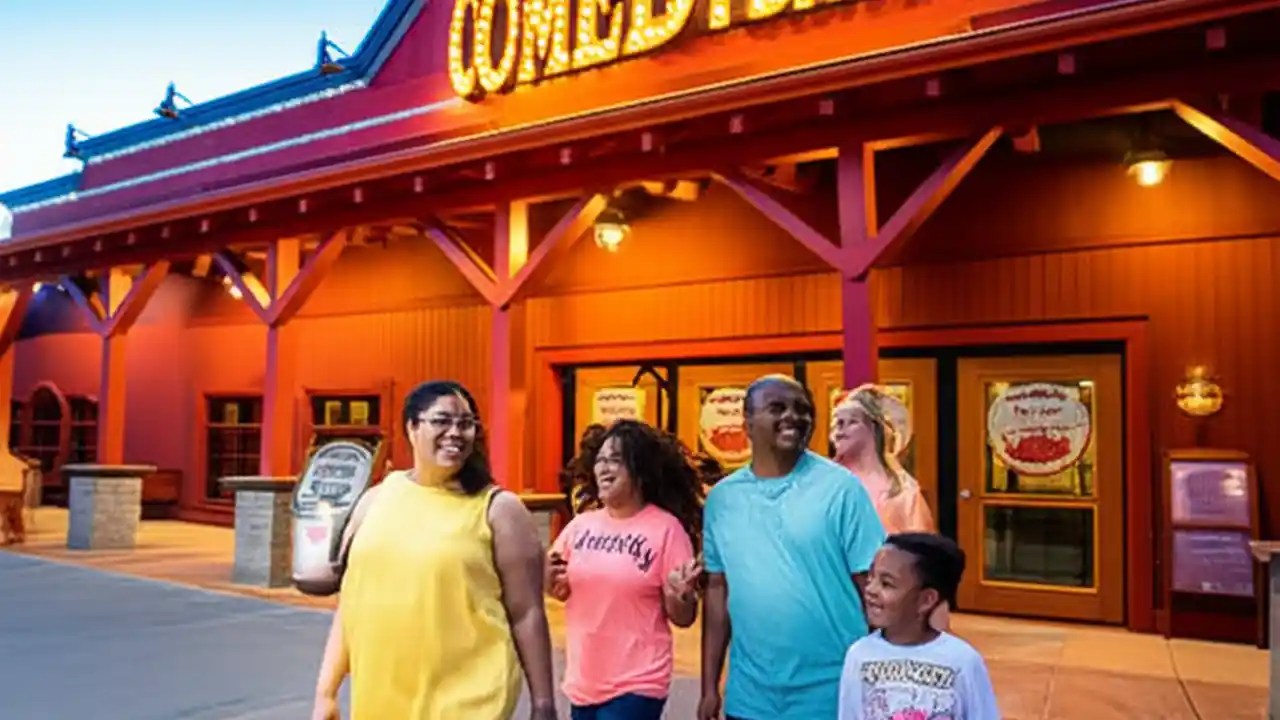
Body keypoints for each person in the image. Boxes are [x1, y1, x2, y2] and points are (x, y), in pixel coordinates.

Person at [311, 380, 558, 720]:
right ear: (412, 427)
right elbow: (352, 603)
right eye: (442, 421)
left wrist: (543, 704)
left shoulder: (498, 509)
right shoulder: (376, 499)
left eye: (466, 423)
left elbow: (527, 612)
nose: (456, 432)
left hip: (468, 698)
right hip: (381, 697)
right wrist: (326, 691)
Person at [699, 374, 887, 720]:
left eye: (803, 409)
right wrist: (709, 687)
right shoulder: (722, 501)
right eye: (777, 407)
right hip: (749, 698)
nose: (793, 416)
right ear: (748, 423)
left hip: (832, 693)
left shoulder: (842, 489)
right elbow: (716, 591)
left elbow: (874, 586)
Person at [548, 419, 706, 720]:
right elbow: (558, 587)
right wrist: (545, 579)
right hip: (584, 680)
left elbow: (683, 618)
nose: (605, 468)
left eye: (616, 461)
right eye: (601, 460)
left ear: (640, 473)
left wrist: (681, 595)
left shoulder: (665, 530)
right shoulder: (580, 526)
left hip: (638, 680)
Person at [837, 533, 999, 720]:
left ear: (926, 600)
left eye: (886, 584)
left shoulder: (963, 662)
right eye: (871, 577)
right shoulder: (859, 655)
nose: (870, 589)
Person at [830, 385, 935, 534]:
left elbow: (922, 548)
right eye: (837, 422)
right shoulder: (826, 481)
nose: (839, 429)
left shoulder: (902, 490)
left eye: (852, 421)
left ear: (876, 430)